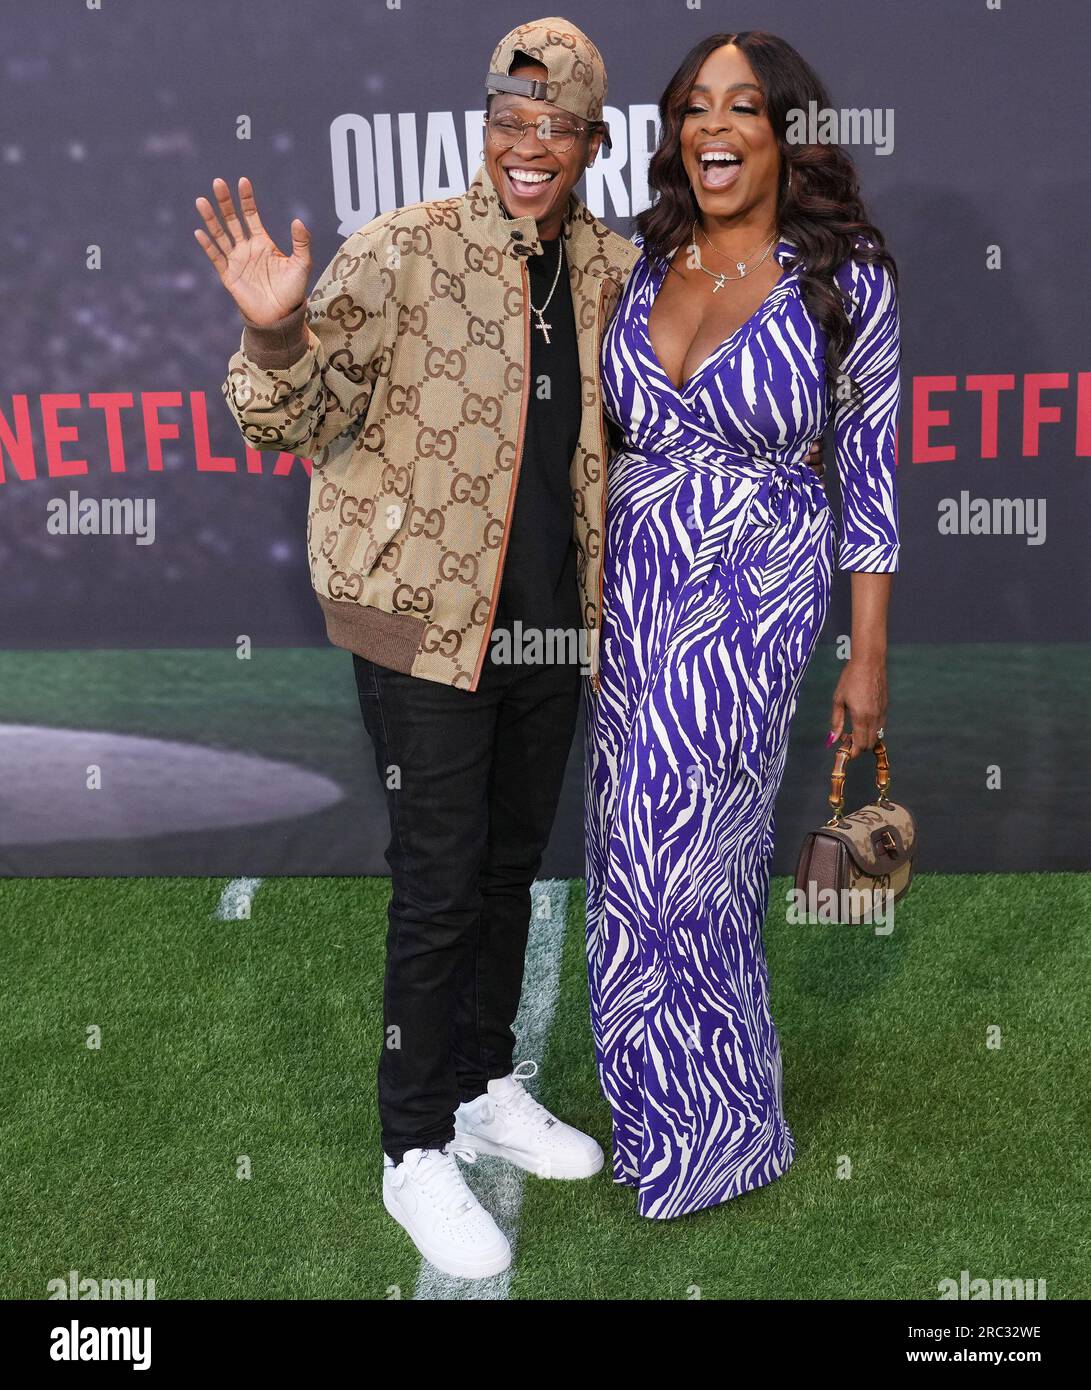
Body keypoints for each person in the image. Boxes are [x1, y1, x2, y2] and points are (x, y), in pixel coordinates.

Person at [199, 18, 639, 1281]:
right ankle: (410, 1147)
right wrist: (275, 332)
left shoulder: (608, 266)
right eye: (507, 122)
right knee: (439, 882)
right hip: (417, 629)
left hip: (555, 625)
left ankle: (488, 1080)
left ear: (588, 144)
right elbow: (290, 415)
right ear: (482, 130)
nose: (526, 146)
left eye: (552, 127)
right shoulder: (403, 250)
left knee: (508, 868)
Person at [585, 31, 900, 1220]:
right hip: (635, 587)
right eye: (694, 108)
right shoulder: (640, 258)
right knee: (630, 855)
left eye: (743, 109)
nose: (713, 129)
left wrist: (863, 658)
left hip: (752, 593)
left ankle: (707, 1129)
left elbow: (867, 480)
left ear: (785, 135)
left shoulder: (845, 278)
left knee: (686, 861)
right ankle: (692, 1117)